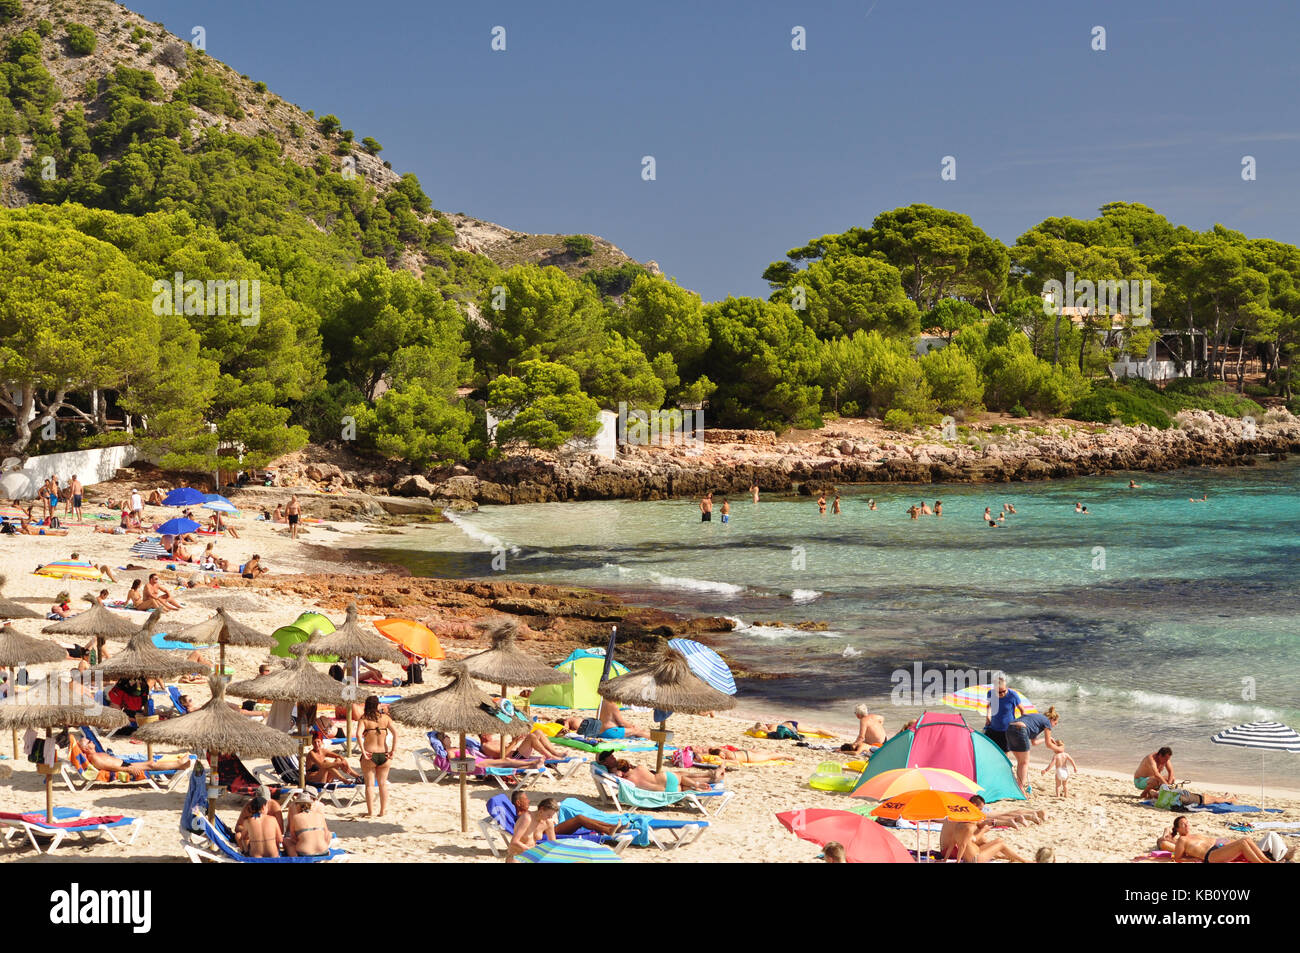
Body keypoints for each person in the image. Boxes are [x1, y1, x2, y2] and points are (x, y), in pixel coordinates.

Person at [506, 791, 621, 861]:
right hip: (517, 856)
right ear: (541, 810)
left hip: (535, 857)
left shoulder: (548, 823)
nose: (550, 818)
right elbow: (514, 842)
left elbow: (553, 844)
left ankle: (610, 828)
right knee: (579, 819)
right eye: (549, 815)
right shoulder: (527, 818)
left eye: (552, 816)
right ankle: (609, 828)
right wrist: (533, 851)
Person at [938, 794, 1029, 863]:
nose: (980, 812)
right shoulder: (967, 824)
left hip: (955, 851)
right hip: (968, 856)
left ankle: (1008, 856)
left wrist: (944, 860)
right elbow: (969, 841)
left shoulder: (959, 818)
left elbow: (980, 825)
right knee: (993, 842)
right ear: (973, 805)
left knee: (997, 841)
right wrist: (983, 831)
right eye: (980, 809)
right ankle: (1024, 861)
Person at [1156, 816, 1278, 863]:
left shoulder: (1195, 835)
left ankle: (1267, 861)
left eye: (1187, 823)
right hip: (1211, 855)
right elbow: (1177, 858)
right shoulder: (1182, 840)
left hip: (1219, 847)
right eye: (1183, 824)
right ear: (1177, 829)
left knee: (1246, 838)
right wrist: (1192, 859)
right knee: (1242, 843)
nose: (1187, 825)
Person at [597, 751, 718, 792]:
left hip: (668, 791)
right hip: (665, 778)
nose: (612, 756)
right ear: (604, 762)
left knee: (682, 784)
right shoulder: (619, 772)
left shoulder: (620, 775)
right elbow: (619, 774)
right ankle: (708, 777)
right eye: (609, 756)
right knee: (680, 776)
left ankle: (710, 778)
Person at [1006, 706, 1062, 793]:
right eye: (1056, 723)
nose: (1054, 726)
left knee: (1021, 763)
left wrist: (1047, 738)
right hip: (1021, 729)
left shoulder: (1037, 719)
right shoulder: (1047, 722)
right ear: (1052, 719)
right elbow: (1049, 745)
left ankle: (1018, 788)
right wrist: (1060, 749)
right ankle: (1020, 790)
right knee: (1024, 763)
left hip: (1009, 729)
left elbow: (1034, 742)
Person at [356, 694, 396, 817]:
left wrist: (363, 751)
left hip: (370, 754)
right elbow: (396, 734)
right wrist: (393, 750)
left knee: (369, 785)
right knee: (383, 784)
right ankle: (382, 811)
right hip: (384, 754)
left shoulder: (364, 719)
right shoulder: (386, 718)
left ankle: (370, 812)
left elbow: (357, 735)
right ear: (377, 705)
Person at [285, 793, 332, 857]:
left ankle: (295, 857)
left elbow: (293, 838)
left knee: (286, 841)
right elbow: (327, 834)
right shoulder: (319, 815)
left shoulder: (296, 817)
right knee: (329, 833)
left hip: (305, 853)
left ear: (298, 805)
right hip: (324, 852)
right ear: (310, 805)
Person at [983, 675, 1022, 751]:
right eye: (999, 692)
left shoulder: (1012, 695)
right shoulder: (991, 693)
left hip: (1007, 730)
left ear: (1006, 687)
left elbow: (1022, 711)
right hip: (993, 727)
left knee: (1004, 752)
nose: (1002, 694)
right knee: (989, 749)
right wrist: (988, 716)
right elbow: (989, 705)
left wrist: (1020, 723)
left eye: (1004, 691)